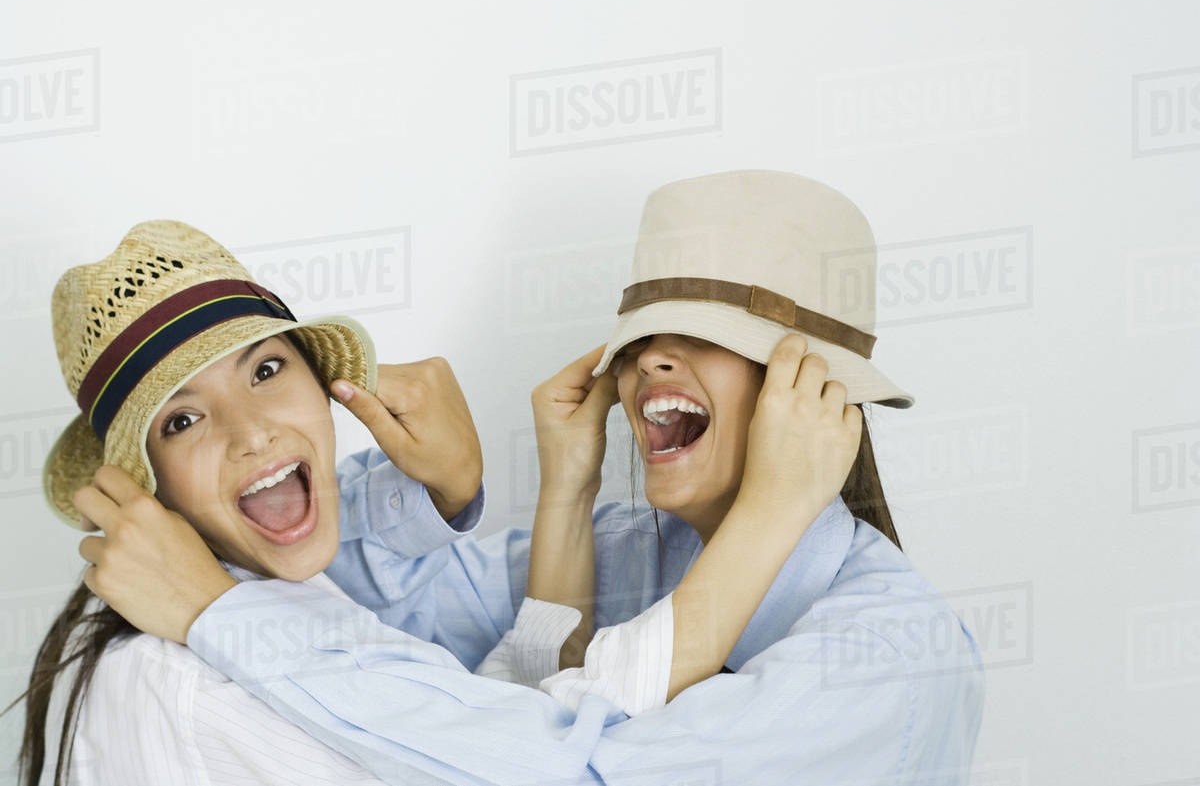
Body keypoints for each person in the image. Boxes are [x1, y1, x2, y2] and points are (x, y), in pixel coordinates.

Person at [74, 172, 987, 785]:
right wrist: (518, 493)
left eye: (708, 336)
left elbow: (579, 765)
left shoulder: (893, 658)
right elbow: (402, 621)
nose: (654, 360)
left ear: (818, 392)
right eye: (644, 335)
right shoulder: (633, 552)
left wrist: (776, 511)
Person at [10, 220, 492, 785]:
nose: (252, 434)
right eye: (182, 421)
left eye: (265, 370)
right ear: (144, 486)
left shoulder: (282, 587)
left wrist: (456, 489)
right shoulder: (188, 692)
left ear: (322, 384)